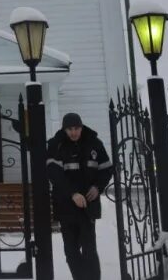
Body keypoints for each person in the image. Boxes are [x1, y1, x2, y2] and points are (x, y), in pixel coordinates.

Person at [46, 113, 113, 280]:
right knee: (71, 251)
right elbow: (54, 174)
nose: (73, 132)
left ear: (81, 127)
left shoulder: (94, 143)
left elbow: (106, 169)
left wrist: (97, 187)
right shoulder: (56, 145)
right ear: (64, 129)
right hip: (66, 206)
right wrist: (72, 193)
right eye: (70, 129)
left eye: (77, 128)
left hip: (87, 207)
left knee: (89, 250)